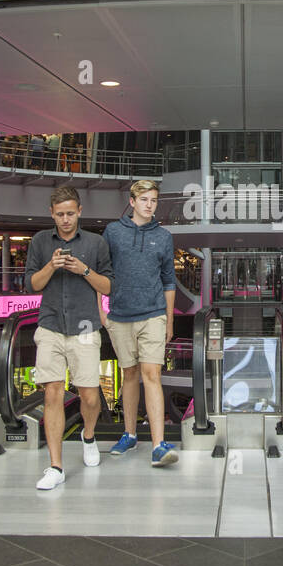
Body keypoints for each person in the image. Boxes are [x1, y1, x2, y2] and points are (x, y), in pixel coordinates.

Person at [25, 186, 113, 491]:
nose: (65, 219)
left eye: (70, 213)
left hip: (86, 328)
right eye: (60, 214)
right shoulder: (39, 242)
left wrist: (83, 269)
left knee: (90, 396)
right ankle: (56, 466)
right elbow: (32, 285)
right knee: (52, 394)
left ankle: (88, 435)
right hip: (50, 325)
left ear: (80, 211)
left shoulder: (96, 243)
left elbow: (109, 286)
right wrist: (51, 265)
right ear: (52, 213)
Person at [103, 180, 180, 467]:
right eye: (144, 199)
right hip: (120, 315)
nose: (150, 205)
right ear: (132, 201)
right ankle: (130, 434)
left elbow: (169, 280)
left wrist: (169, 318)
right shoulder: (112, 232)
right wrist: (103, 309)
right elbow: (103, 273)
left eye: (154, 200)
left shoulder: (163, 237)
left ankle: (158, 445)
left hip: (153, 314)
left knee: (152, 374)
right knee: (129, 374)